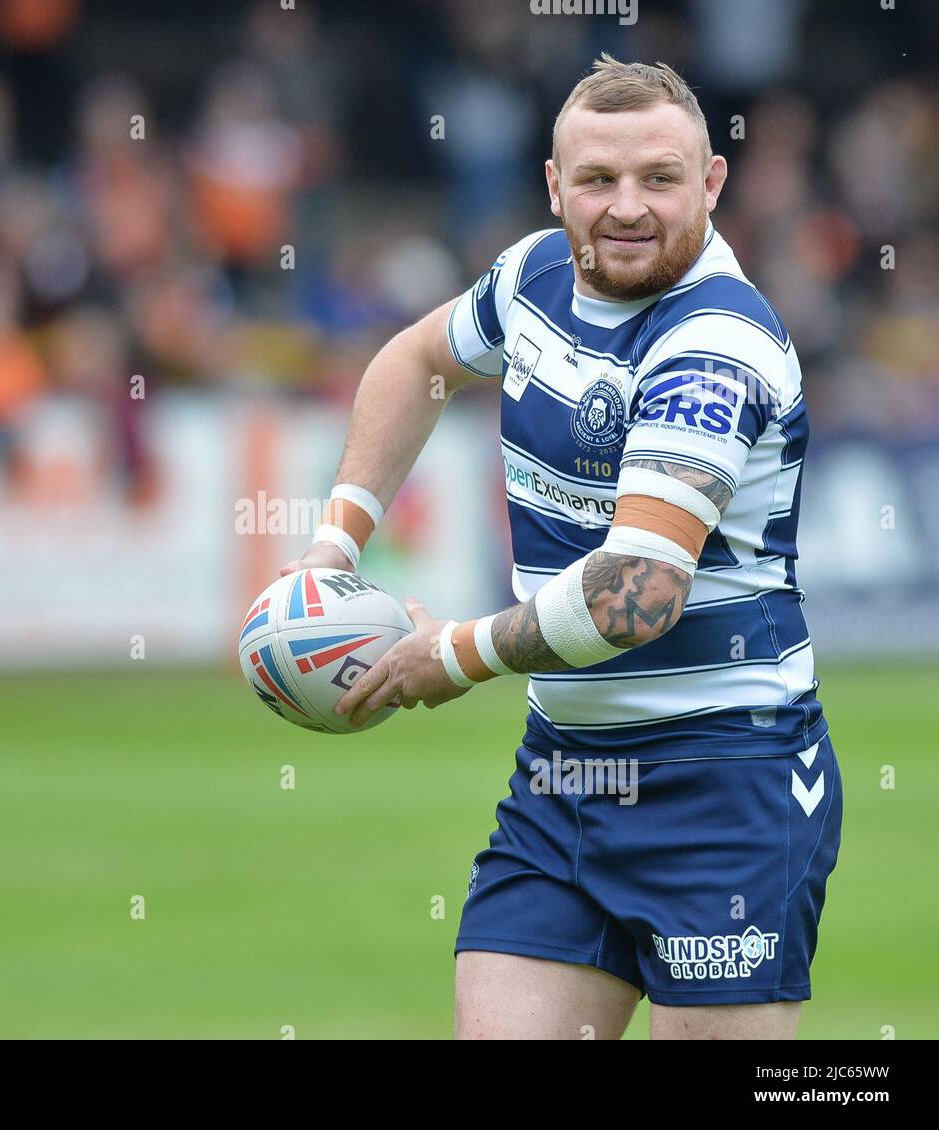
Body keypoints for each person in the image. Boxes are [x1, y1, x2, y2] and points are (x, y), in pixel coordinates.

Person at [282, 55, 841, 1040]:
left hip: (727, 787)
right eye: (597, 180)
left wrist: (451, 655)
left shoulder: (715, 341)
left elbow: (637, 589)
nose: (625, 207)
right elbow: (415, 359)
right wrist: (335, 545)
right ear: (554, 187)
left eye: (659, 179)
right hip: (566, 773)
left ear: (709, 184)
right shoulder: (534, 274)